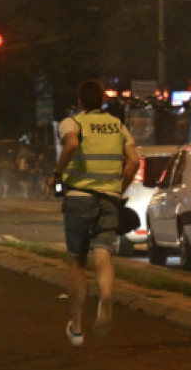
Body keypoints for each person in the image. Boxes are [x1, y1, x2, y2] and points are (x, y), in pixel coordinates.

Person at [50, 79, 140, 347]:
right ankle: (106, 295)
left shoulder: (73, 123)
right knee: (103, 256)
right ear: (103, 100)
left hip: (79, 198)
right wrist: (119, 189)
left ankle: (77, 329)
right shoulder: (118, 126)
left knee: (77, 263)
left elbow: (71, 145)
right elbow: (134, 161)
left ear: (80, 102)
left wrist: (57, 174)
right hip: (109, 200)